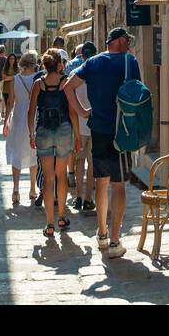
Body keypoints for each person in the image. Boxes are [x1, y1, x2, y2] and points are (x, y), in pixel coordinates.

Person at [65, 27, 141, 258]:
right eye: (127, 39)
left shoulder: (93, 63)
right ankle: (116, 240)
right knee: (119, 185)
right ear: (118, 41)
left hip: (98, 128)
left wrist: (82, 111)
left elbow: (68, 87)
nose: (129, 43)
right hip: (121, 132)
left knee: (101, 182)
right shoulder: (130, 62)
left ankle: (102, 232)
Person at [29, 50, 82, 238]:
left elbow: (31, 111)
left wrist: (31, 134)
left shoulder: (38, 84)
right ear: (59, 64)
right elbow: (73, 111)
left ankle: (49, 223)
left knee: (48, 179)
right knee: (61, 176)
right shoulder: (65, 82)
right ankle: (61, 217)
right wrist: (77, 135)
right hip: (64, 130)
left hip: (44, 130)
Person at [4, 52, 39, 206]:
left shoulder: (15, 80)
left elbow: (10, 102)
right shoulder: (38, 79)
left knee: (17, 152)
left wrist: (6, 120)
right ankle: (32, 188)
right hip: (34, 116)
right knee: (34, 153)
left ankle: (16, 189)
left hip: (18, 117)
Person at [69, 42, 97, 213]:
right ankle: (88, 198)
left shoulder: (74, 74)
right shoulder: (99, 73)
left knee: (79, 161)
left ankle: (79, 196)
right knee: (92, 163)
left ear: (82, 56)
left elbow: (68, 97)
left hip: (78, 124)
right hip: (95, 124)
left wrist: (79, 112)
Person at [1, 52, 18, 119]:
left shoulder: (17, 68)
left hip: (14, 89)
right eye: (10, 58)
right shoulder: (5, 68)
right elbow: (4, 78)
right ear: (8, 59)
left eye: (13, 58)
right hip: (5, 89)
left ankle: (10, 119)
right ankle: (8, 119)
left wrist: (9, 77)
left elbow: (18, 77)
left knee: (11, 106)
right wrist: (13, 77)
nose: (12, 60)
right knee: (6, 105)